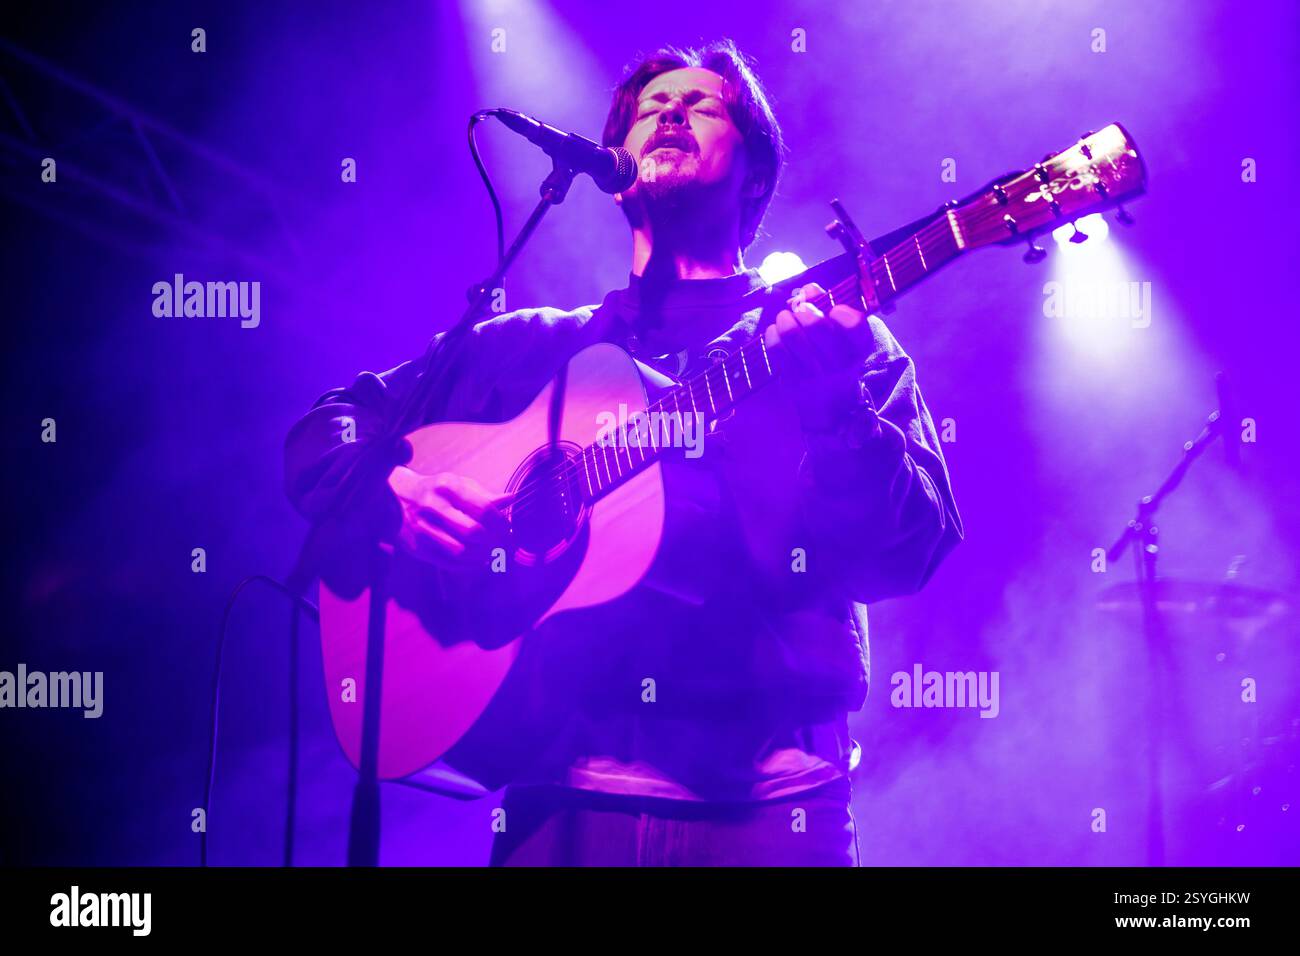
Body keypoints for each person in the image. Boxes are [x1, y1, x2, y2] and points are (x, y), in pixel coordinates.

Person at [284, 39, 962, 866]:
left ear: (755, 175)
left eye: (703, 105)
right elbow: (324, 431)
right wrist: (395, 500)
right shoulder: (523, 351)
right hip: (558, 807)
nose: (668, 112)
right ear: (614, 172)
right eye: (648, 108)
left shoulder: (825, 334)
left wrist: (836, 410)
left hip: (773, 813)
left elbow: (909, 552)